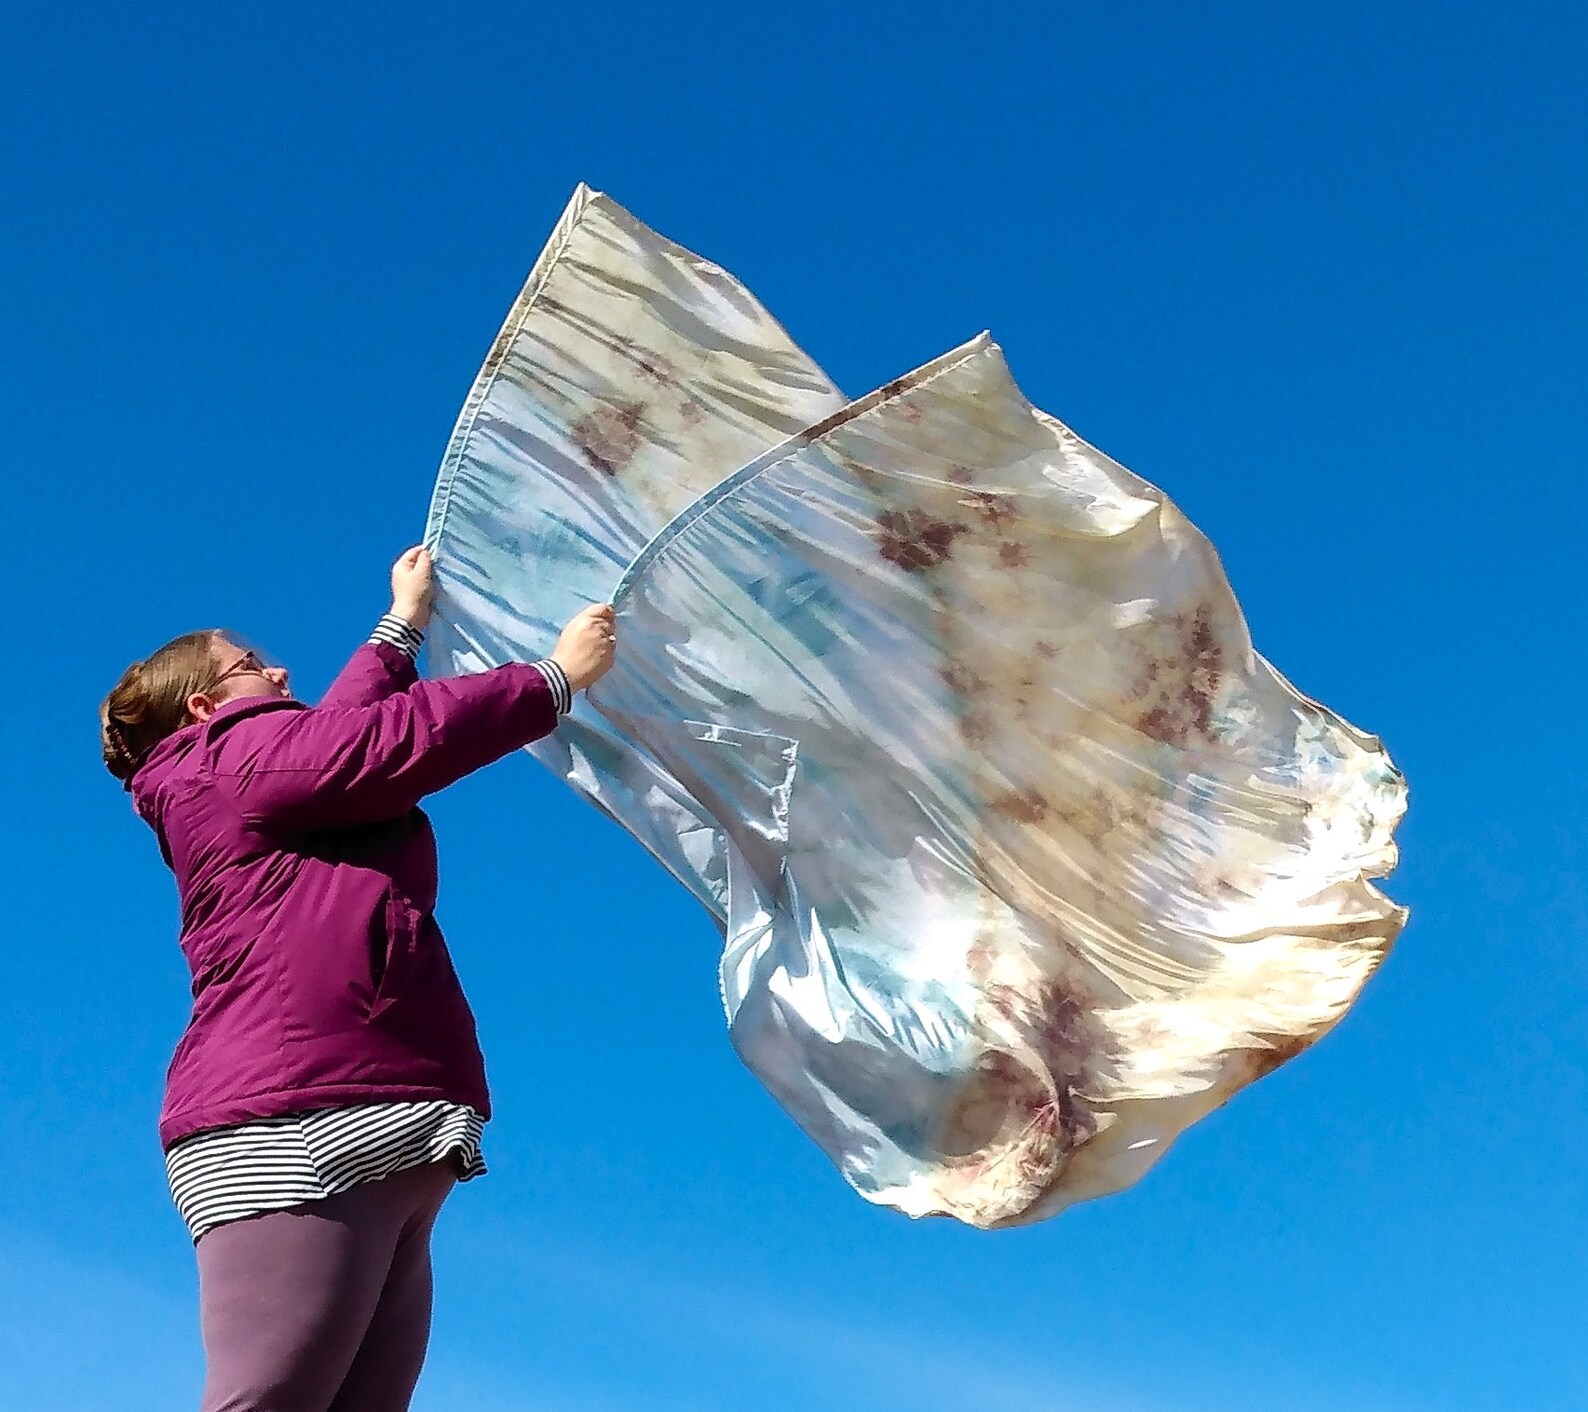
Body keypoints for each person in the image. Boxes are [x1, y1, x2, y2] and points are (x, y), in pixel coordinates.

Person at [98, 546, 616, 1412]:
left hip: (368, 1121)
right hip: (293, 1128)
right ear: (205, 703)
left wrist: (403, 622)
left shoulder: (251, 767)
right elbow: (375, 741)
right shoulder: (226, 764)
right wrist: (552, 680)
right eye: (254, 665)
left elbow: (338, 731)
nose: (279, 666)